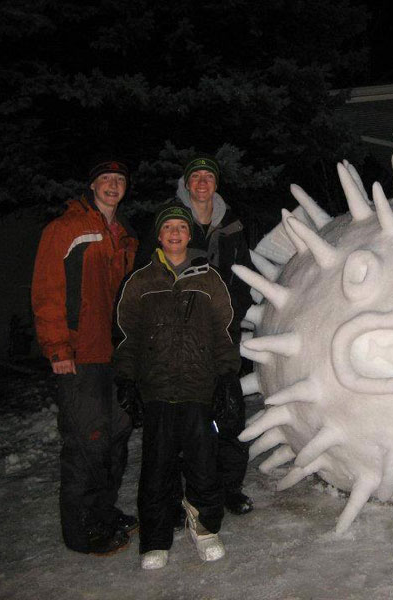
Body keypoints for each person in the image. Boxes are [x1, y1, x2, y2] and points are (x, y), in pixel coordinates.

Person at [113, 203, 242, 570]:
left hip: (199, 389)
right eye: (168, 227)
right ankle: (155, 540)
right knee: (157, 467)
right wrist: (126, 379)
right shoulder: (140, 281)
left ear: (190, 236)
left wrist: (227, 378)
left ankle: (204, 528)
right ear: (159, 235)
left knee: (204, 464)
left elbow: (225, 333)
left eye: (181, 228)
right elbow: (126, 337)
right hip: (157, 391)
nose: (174, 233)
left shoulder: (209, 279)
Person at [31, 159, 139, 555]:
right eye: (105, 179)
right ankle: (82, 531)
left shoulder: (125, 237)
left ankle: (104, 512)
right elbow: (46, 293)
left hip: (116, 356)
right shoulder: (64, 230)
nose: (113, 185)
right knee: (86, 441)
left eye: (119, 180)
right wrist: (57, 347)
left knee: (116, 436)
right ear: (92, 185)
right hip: (79, 355)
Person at [177, 155, 255, 516]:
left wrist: (233, 317)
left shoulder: (232, 225)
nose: (203, 182)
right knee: (189, 418)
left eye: (209, 176)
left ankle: (229, 488)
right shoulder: (170, 223)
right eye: (196, 177)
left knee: (230, 413)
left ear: (216, 184)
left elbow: (243, 275)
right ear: (187, 184)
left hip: (223, 335)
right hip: (182, 339)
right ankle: (191, 491)